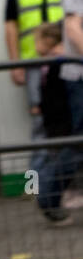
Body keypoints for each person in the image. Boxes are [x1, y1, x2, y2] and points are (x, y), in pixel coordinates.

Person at [5, 0, 70, 133]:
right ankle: (42, 166)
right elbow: (10, 25)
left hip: (68, 60)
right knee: (41, 122)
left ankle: (70, 165)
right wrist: (16, 64)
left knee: (74, 115)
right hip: (34, 62)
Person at [27, 23, 77, 225]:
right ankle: (34, 189)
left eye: (36, 41)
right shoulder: (49, 64)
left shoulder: (51, 64)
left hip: (48, 117)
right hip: (47, 117)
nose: (34, 45)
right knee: (40, 156)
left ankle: (35, 189)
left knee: (40, 156)